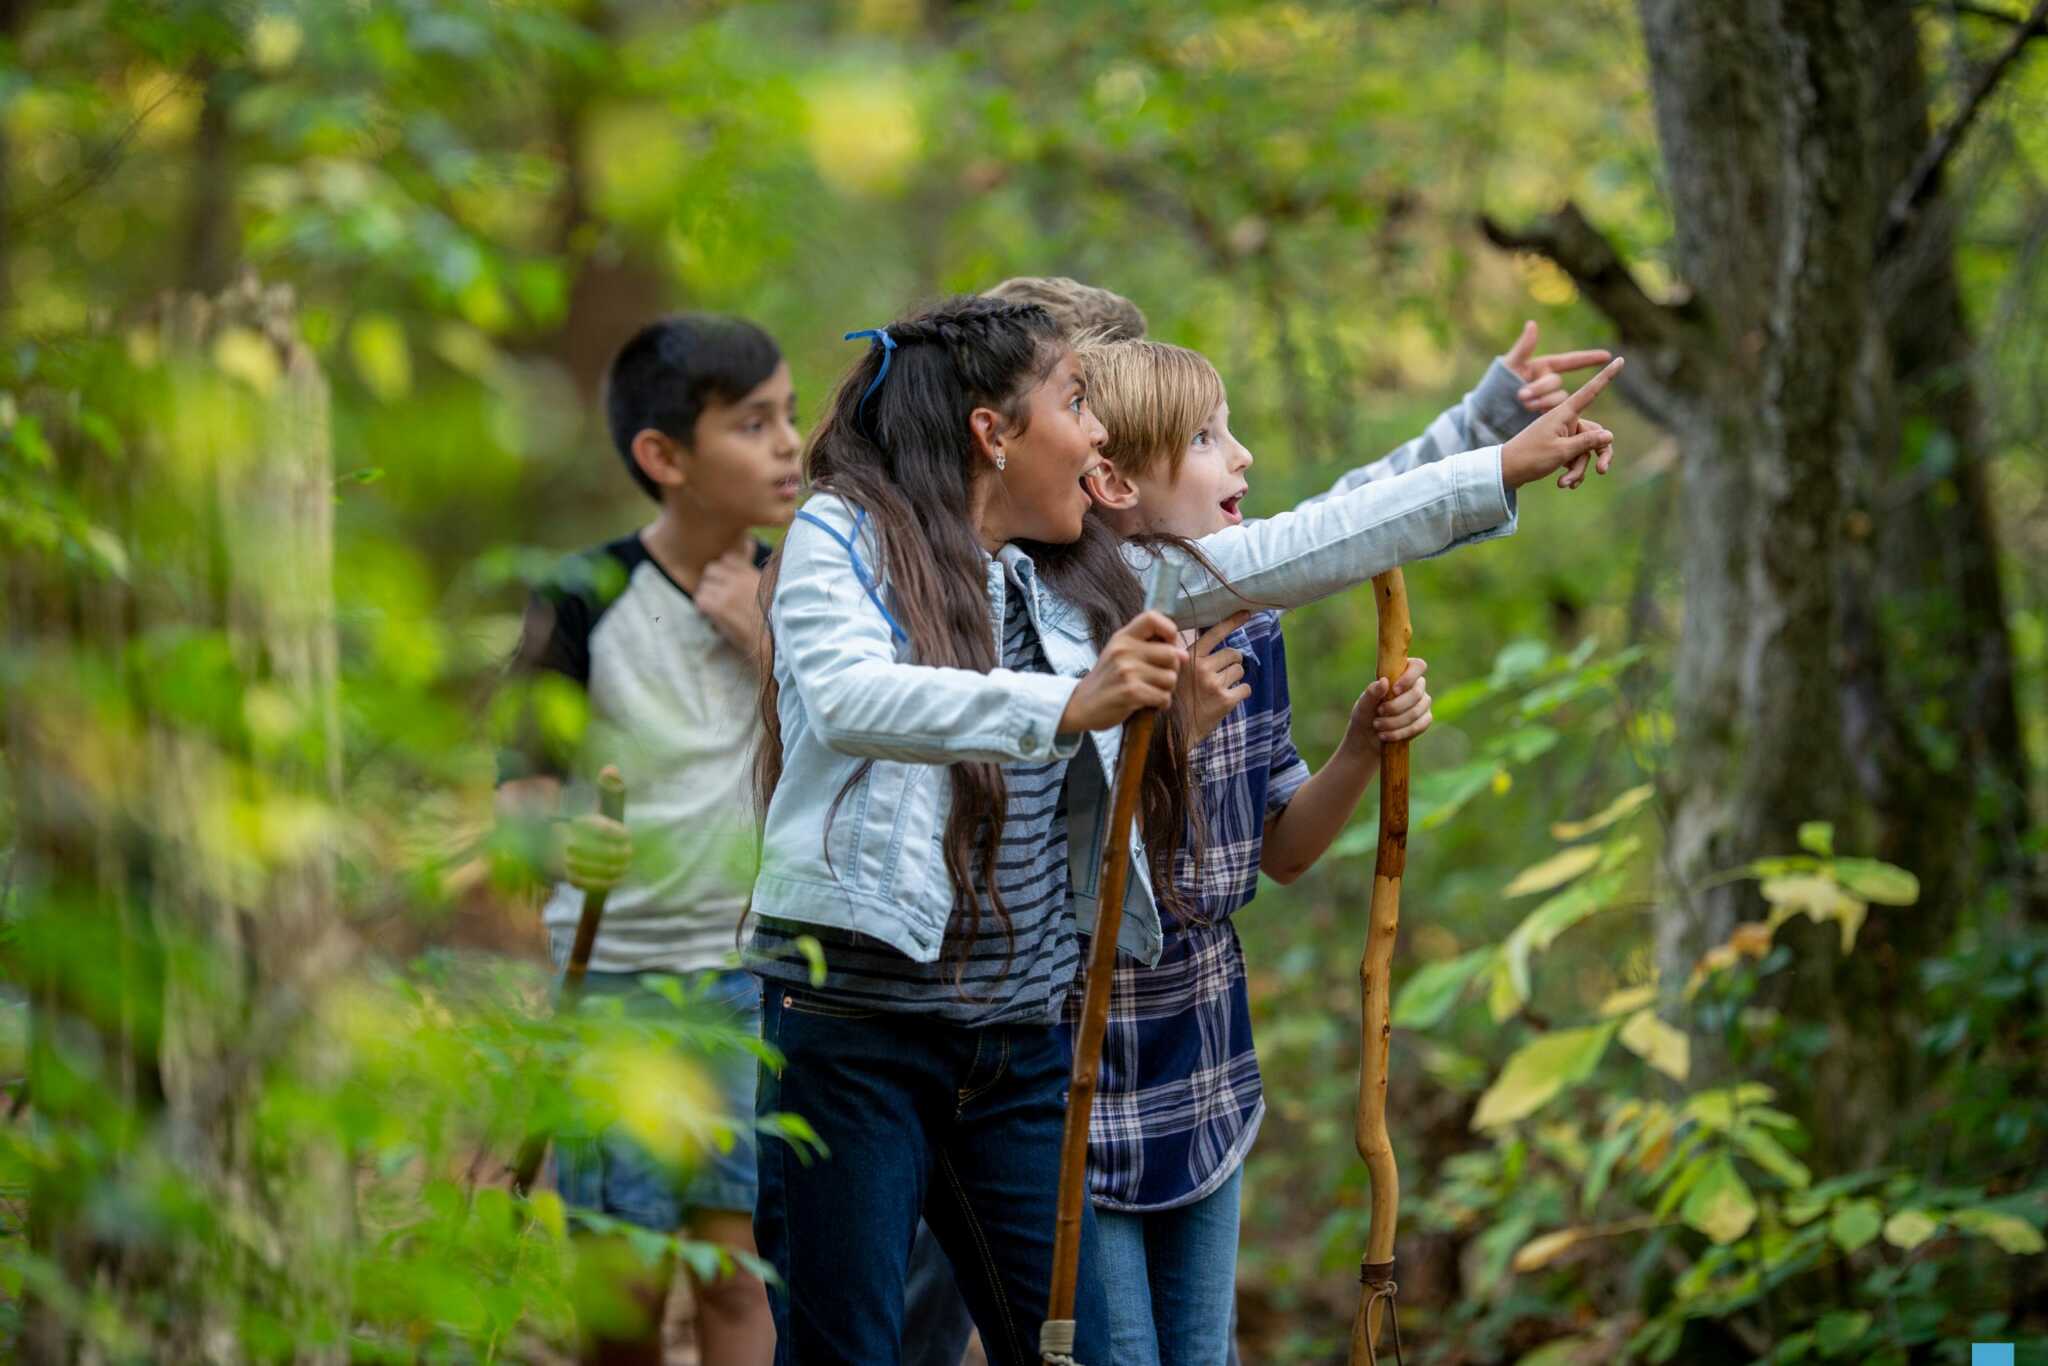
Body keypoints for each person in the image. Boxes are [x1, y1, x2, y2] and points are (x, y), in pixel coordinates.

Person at [747, 293, 1622, 1364]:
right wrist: (1070, 707)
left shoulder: (1073, 579)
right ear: (994, 430)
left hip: (1017, 1045)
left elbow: (1316, 534)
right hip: (856, 1022)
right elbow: (847, 698)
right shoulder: (840, 531)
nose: (1098, 431)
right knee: (853, 1347)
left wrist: (1491, 460)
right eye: (1076, 402)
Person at [497, 313, 800, 1366]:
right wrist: (559, 840)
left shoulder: (807, 588)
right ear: (663, 457)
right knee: (623, 1290)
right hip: (614, 980)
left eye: (790, 416)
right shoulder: (583, 597)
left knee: (736, 1274)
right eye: (753, 423)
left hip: (749, 976)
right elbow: (522, 790)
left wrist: (762, 639)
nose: (789, 445)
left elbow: (844, 753)